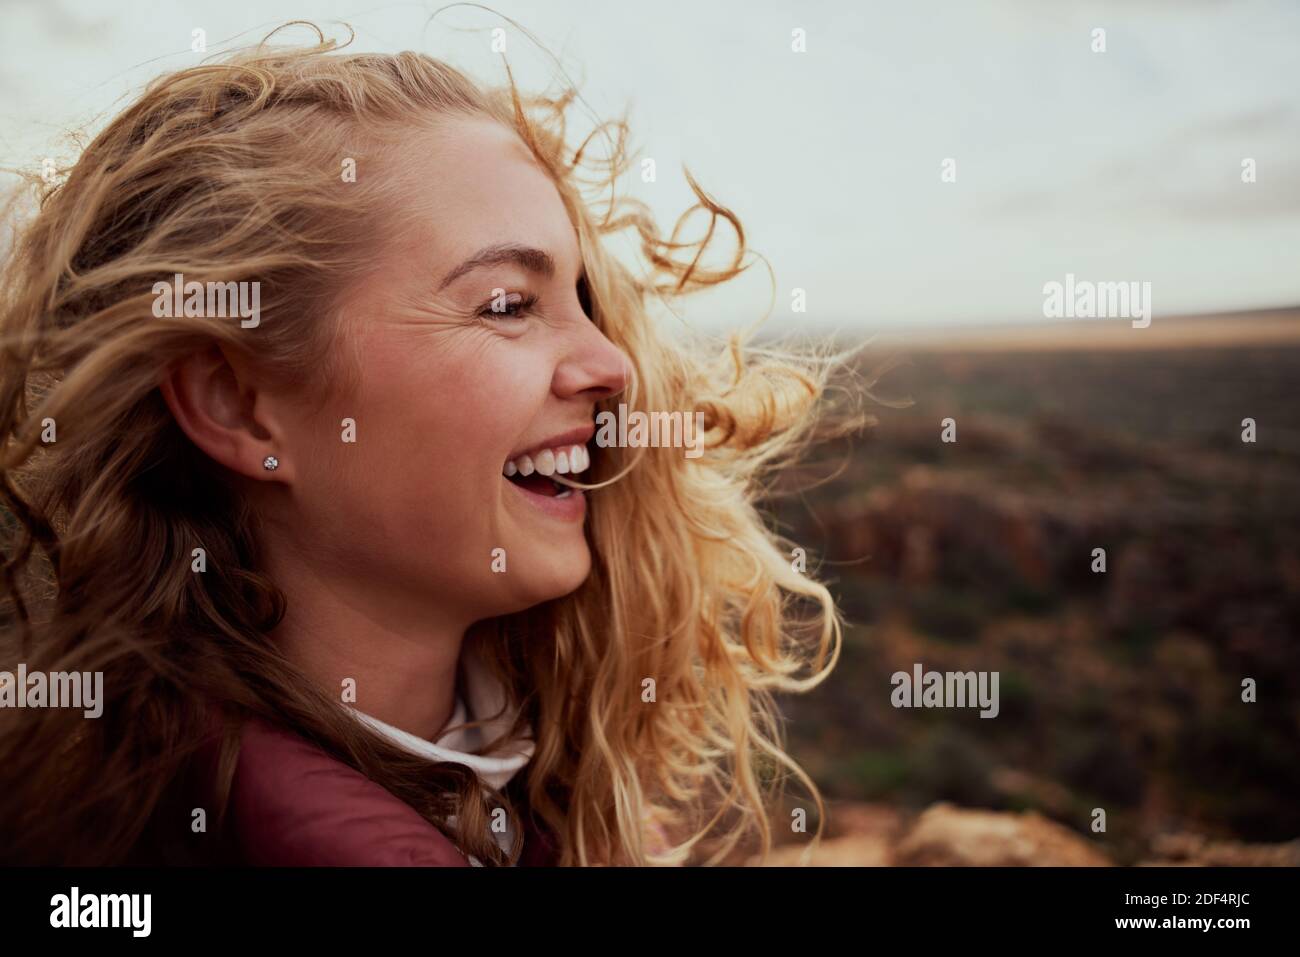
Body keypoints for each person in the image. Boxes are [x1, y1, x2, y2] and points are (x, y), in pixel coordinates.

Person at [0, 23, 848, 866]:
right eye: (508, 305)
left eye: (583, 297)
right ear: (239, 406)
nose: (610, 362)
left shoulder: (526, 782)